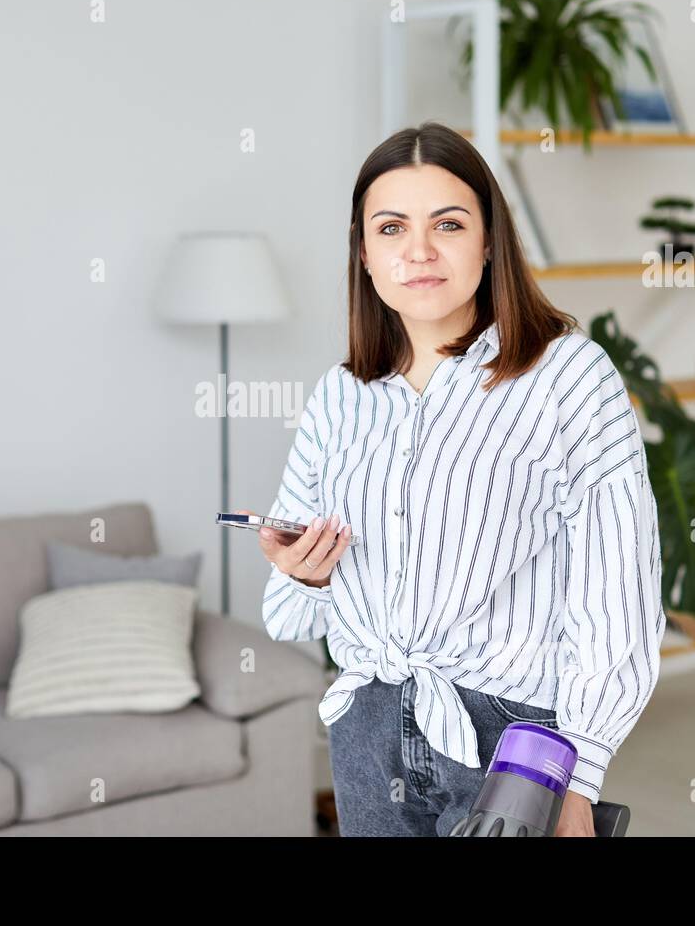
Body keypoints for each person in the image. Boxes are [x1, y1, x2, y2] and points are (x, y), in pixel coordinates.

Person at [244, 120, 665, 837]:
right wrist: (302, 572)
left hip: (511, 742)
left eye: (448, 223)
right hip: (366, 733)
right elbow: (289, 617)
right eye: (390, 228)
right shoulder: (340, 396)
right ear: (365, 254)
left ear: (489, 240)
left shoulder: (567, 376)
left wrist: (579, 777)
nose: (419, 251)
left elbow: (617, 594)